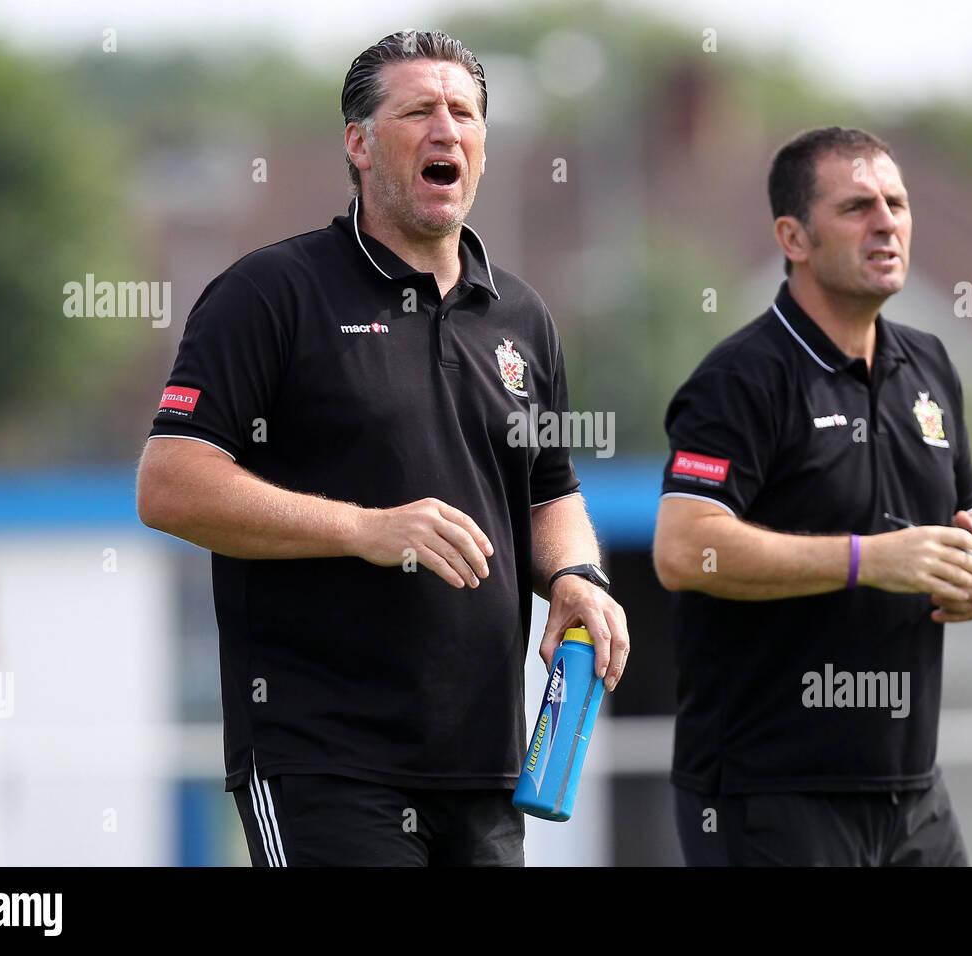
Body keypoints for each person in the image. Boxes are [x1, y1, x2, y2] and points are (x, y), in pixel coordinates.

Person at [135, 30, 629, 867]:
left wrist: (576, 576)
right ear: (359, 145)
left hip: (485, 767)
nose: (447, 130)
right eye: (419, 111)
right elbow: (170, 483)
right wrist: (364, 528)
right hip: (324, 762)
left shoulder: (522, 317)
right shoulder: (271, 293)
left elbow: (551, 492)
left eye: (464, 113)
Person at [653, 127, 972, 866]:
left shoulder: (930, 364)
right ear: (794, 237)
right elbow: (684, 549)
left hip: (914, 796)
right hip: (770, 794)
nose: (886, 222)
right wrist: (866, 560)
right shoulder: (741, 378)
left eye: (896, 203)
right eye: (856, 207)